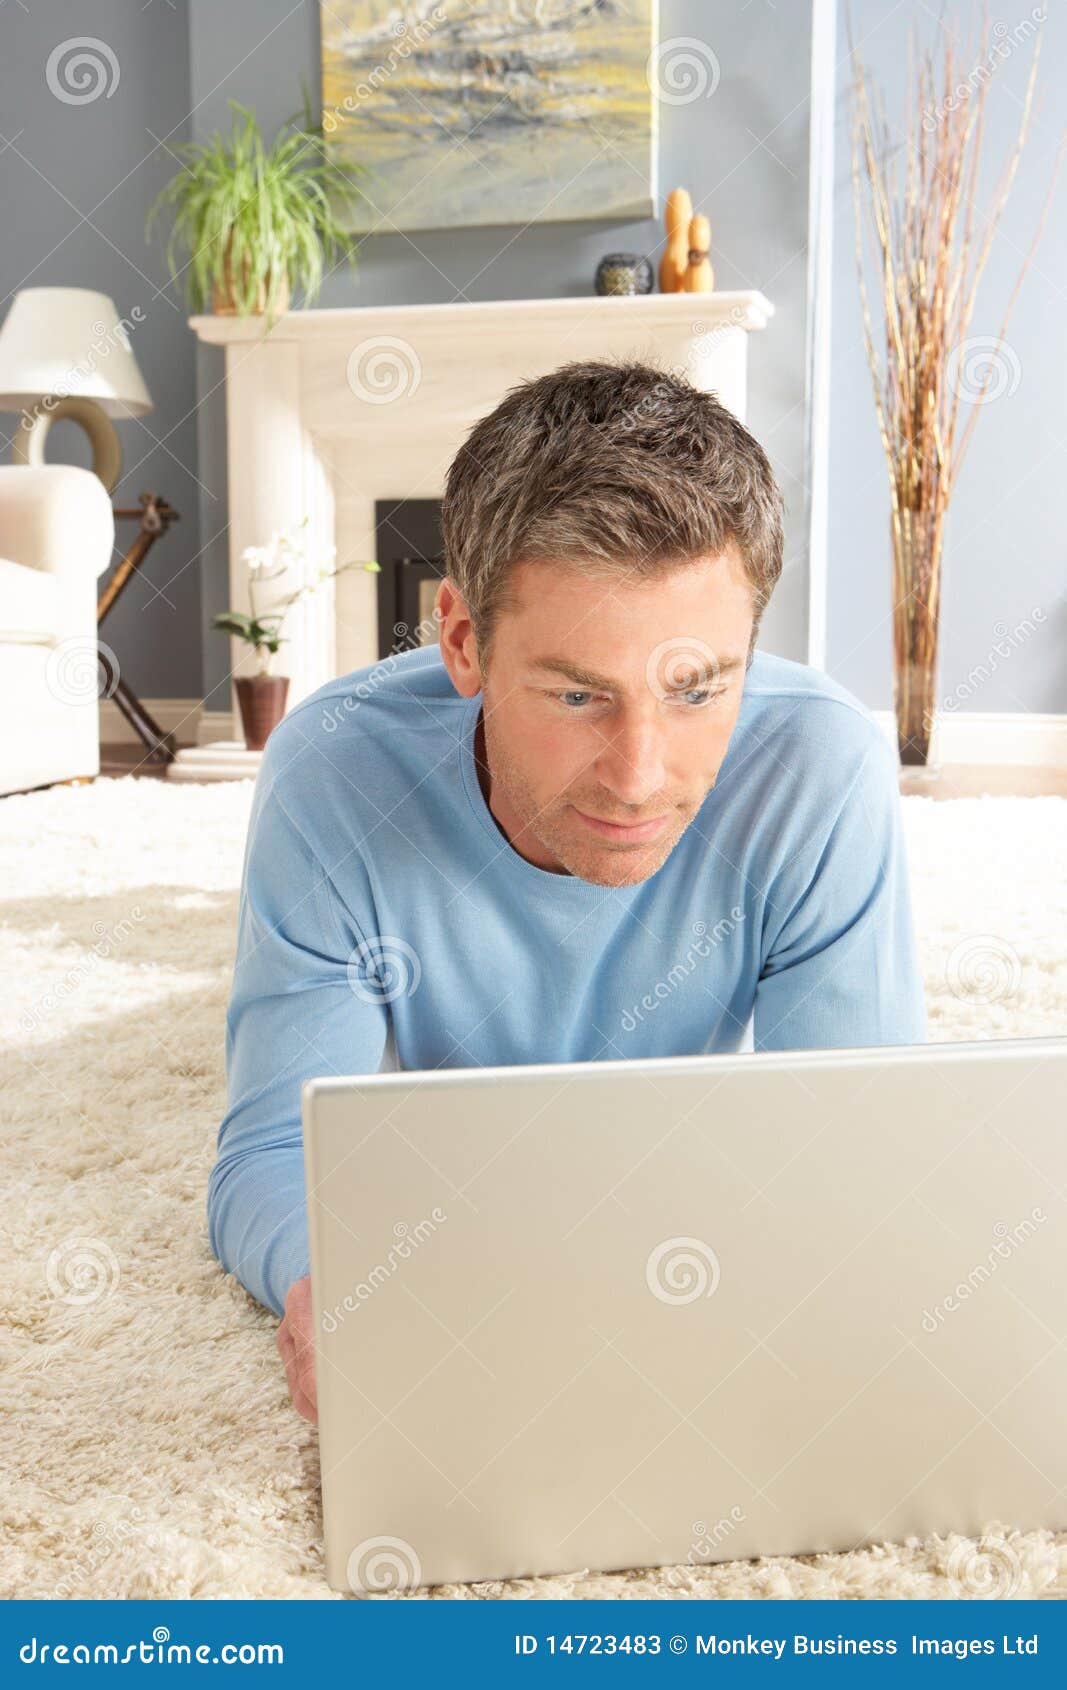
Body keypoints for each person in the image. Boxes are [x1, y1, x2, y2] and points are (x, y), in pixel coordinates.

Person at [207, 358, 927, 1425]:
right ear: (459, 639)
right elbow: (269, 1151)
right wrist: (344, 1289)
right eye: (577, 692)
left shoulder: (819, 770)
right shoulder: (332, 770)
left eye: (695, 690)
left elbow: (856, 1158)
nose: (639, 777)